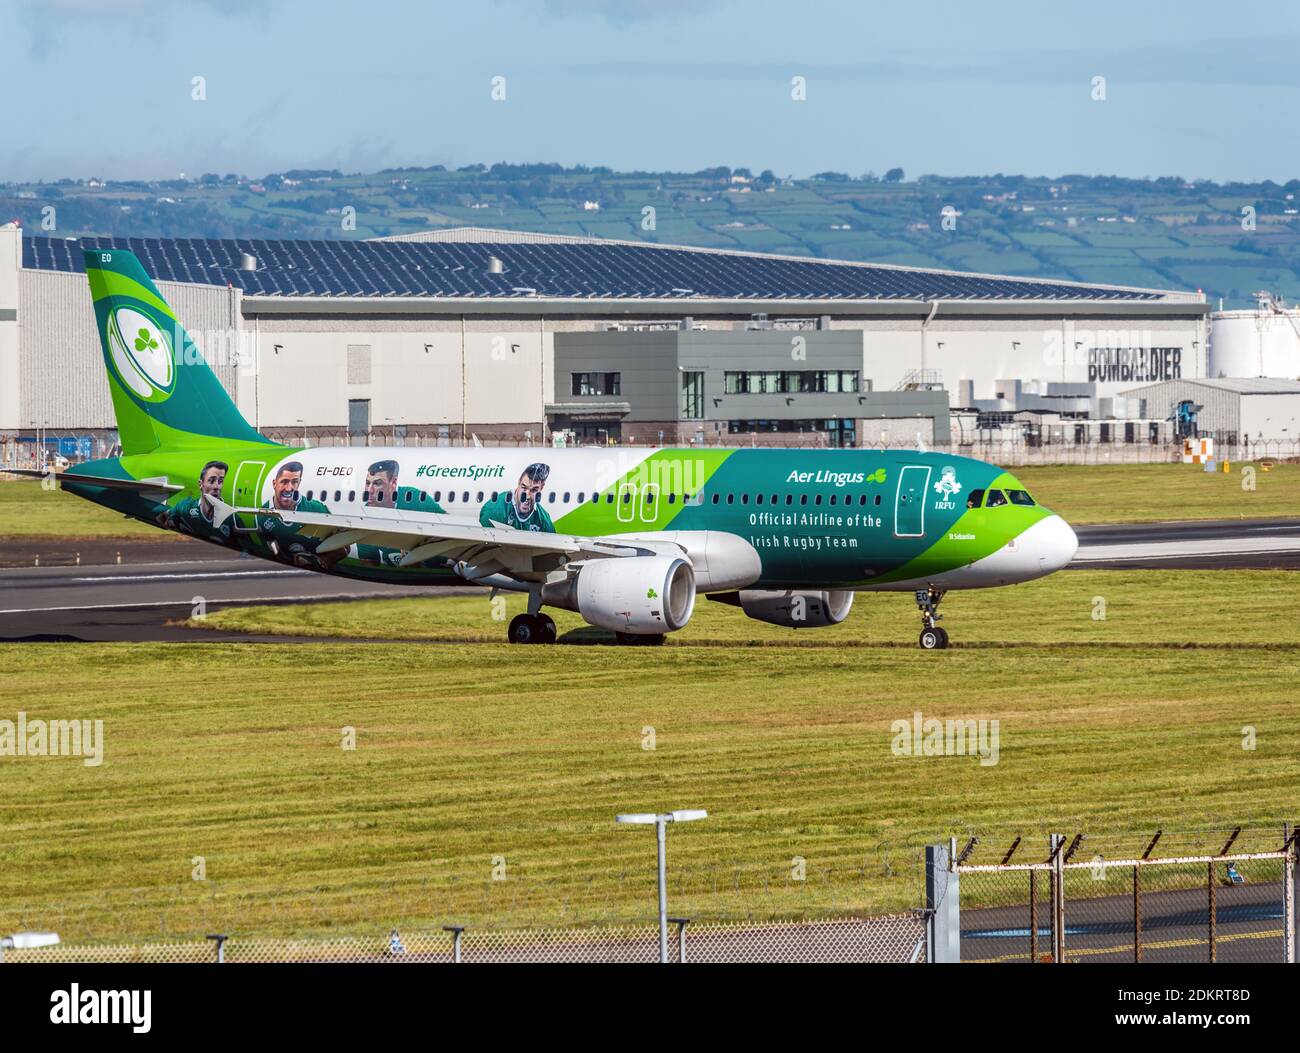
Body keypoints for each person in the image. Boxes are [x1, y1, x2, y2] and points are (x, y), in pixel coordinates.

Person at [257, 460, 337, 568]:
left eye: (294, 482)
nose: (289, 488)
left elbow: (344, 549)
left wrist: (320, 562)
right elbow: (270, 551)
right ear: (274, 484)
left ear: (299, 483)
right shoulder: (263, 516)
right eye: (284, 482)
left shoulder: (316, 508)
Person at [168, 460, 234, 544]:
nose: (217, 487)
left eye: (220, 481)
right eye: (211, 481)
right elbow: (164, 518)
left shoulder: (231, 518)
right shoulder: (185, 508)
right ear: (200, 484)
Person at [480, 462, 555, 532]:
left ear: (541, 488)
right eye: (524, 488)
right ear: (519, 482)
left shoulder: (543, 519)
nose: (527, 496)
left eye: (534, 490)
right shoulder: (494, 511)